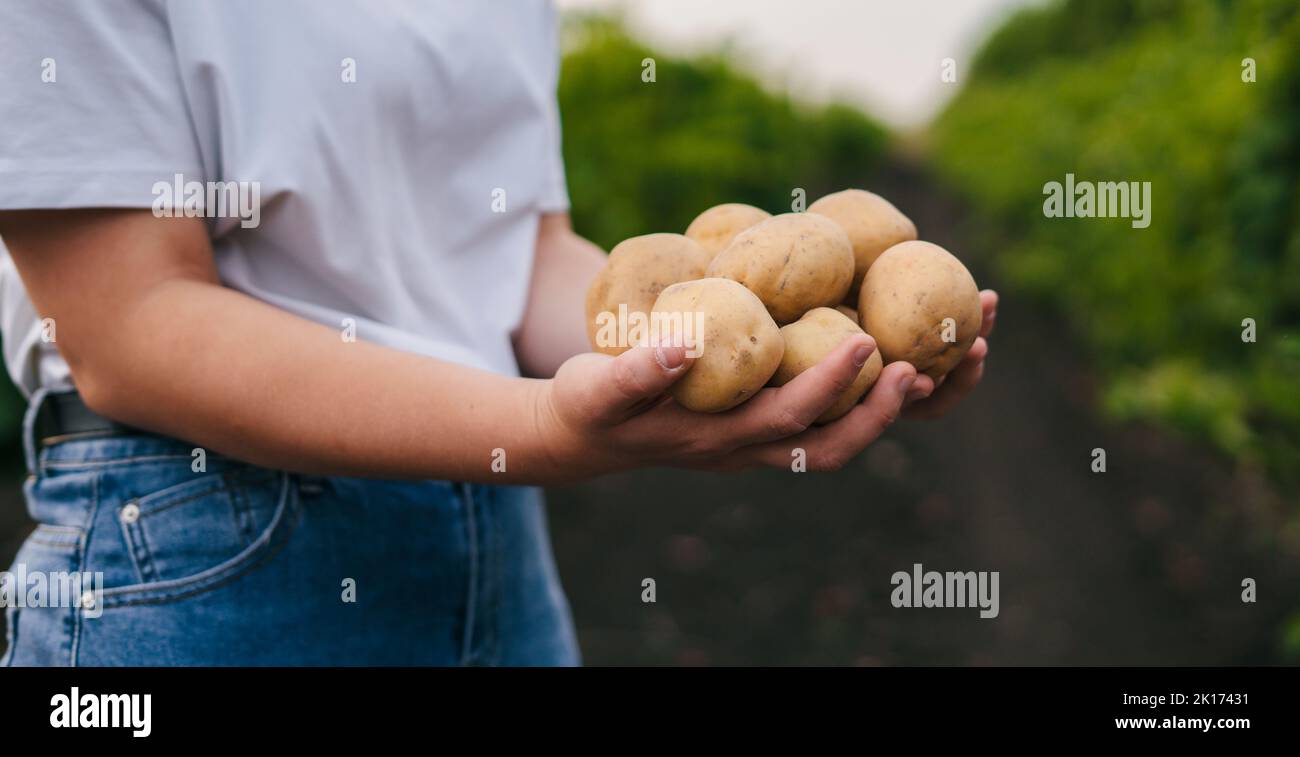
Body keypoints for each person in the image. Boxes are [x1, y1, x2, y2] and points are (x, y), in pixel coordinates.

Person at [0, 1, 996, 666]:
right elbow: (128, 325)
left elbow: (516, 256)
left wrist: (685, 354)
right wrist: (542, 428)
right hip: (203, 551)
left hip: (497, 543)